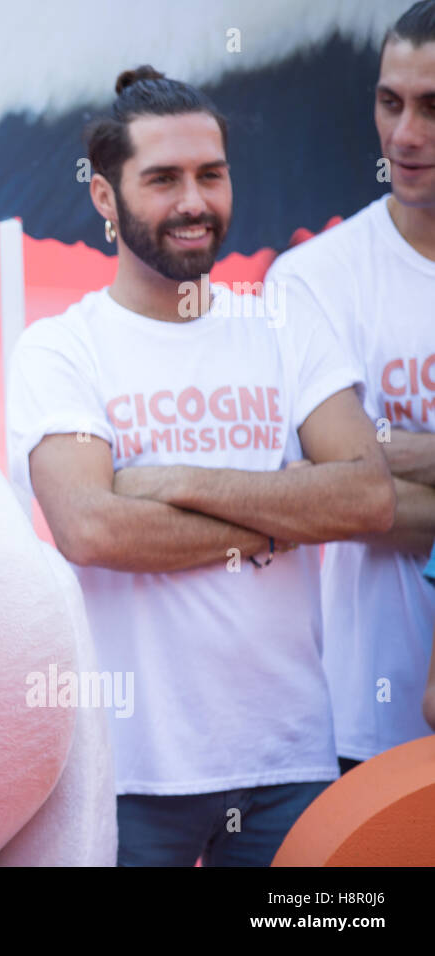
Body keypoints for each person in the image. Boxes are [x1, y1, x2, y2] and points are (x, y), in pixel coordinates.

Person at [6, 67, 395, 866]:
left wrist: (170, 479)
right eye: (163, 179)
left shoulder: (285, 325)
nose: (194, 201)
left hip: (290, 764)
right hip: (131, 770)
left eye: (210, 175)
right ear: (106, 199)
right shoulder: (61, 347)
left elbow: (365, 496)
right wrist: (280, 512)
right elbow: (91, 527)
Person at [265, 0, 435, 773]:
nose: (404, 135)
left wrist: (371, 458)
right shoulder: (314, 279)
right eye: (390, 100)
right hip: (363, 731)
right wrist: (348, 478)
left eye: (434, 107)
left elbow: (357, 473)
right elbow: (328, 492)